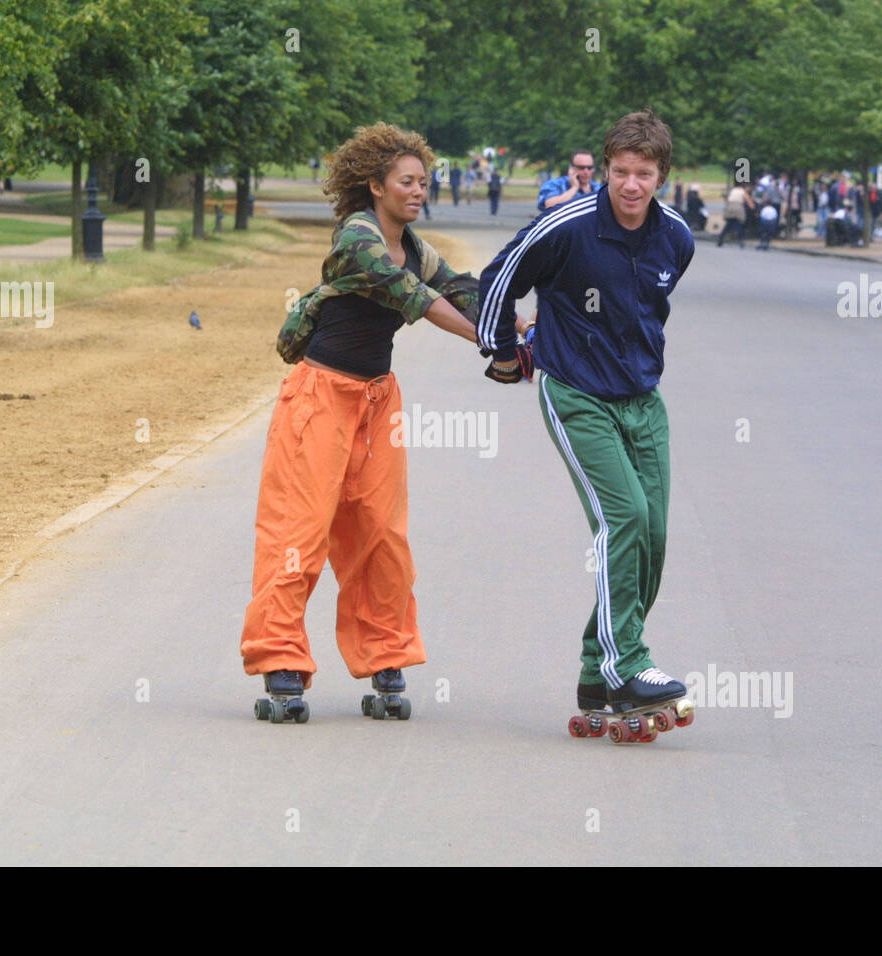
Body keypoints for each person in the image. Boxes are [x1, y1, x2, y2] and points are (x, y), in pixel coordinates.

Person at [241, 122, 479, 716]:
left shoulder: (416, 246)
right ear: (375, 185)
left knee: (381, 535)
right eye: (407, 181)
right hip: (320, 398)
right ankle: (280, 661)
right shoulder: (358, 238)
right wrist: (487, 340)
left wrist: (523, 324)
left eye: (424, 182)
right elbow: (413, 298)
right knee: (300, 531)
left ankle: (386, 657)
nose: (418, 191)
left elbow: (461, 288)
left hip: (378, 402)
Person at [476, 109, 695, 722]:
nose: (631, 185)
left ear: (661, 176)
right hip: (576, 394)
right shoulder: (566, 226)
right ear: (605, 170)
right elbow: (500, 279)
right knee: (622, 516)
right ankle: (627, 665)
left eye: (644, 173)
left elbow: (652, 304)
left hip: (644, 401)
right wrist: (501, 350)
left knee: (651, 534)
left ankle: (594, 675)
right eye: (621, 171)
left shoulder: (676, 236)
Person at [538, 151, 602, 212]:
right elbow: (550, 206)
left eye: (589, 168)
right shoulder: (554, 184)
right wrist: (574, 188)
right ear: (571, 168)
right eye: (581, 168)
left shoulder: (599, 188)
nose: (586, 172)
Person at [718, 182, 748, 247]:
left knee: (728, 225)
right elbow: (748, 200)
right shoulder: (742, 191)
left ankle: (720, 239)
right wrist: (753, 207)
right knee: (739, 225)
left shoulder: (733, 190)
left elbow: (727, 198)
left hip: (730, 207)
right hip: (738, 207)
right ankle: (741, 241)